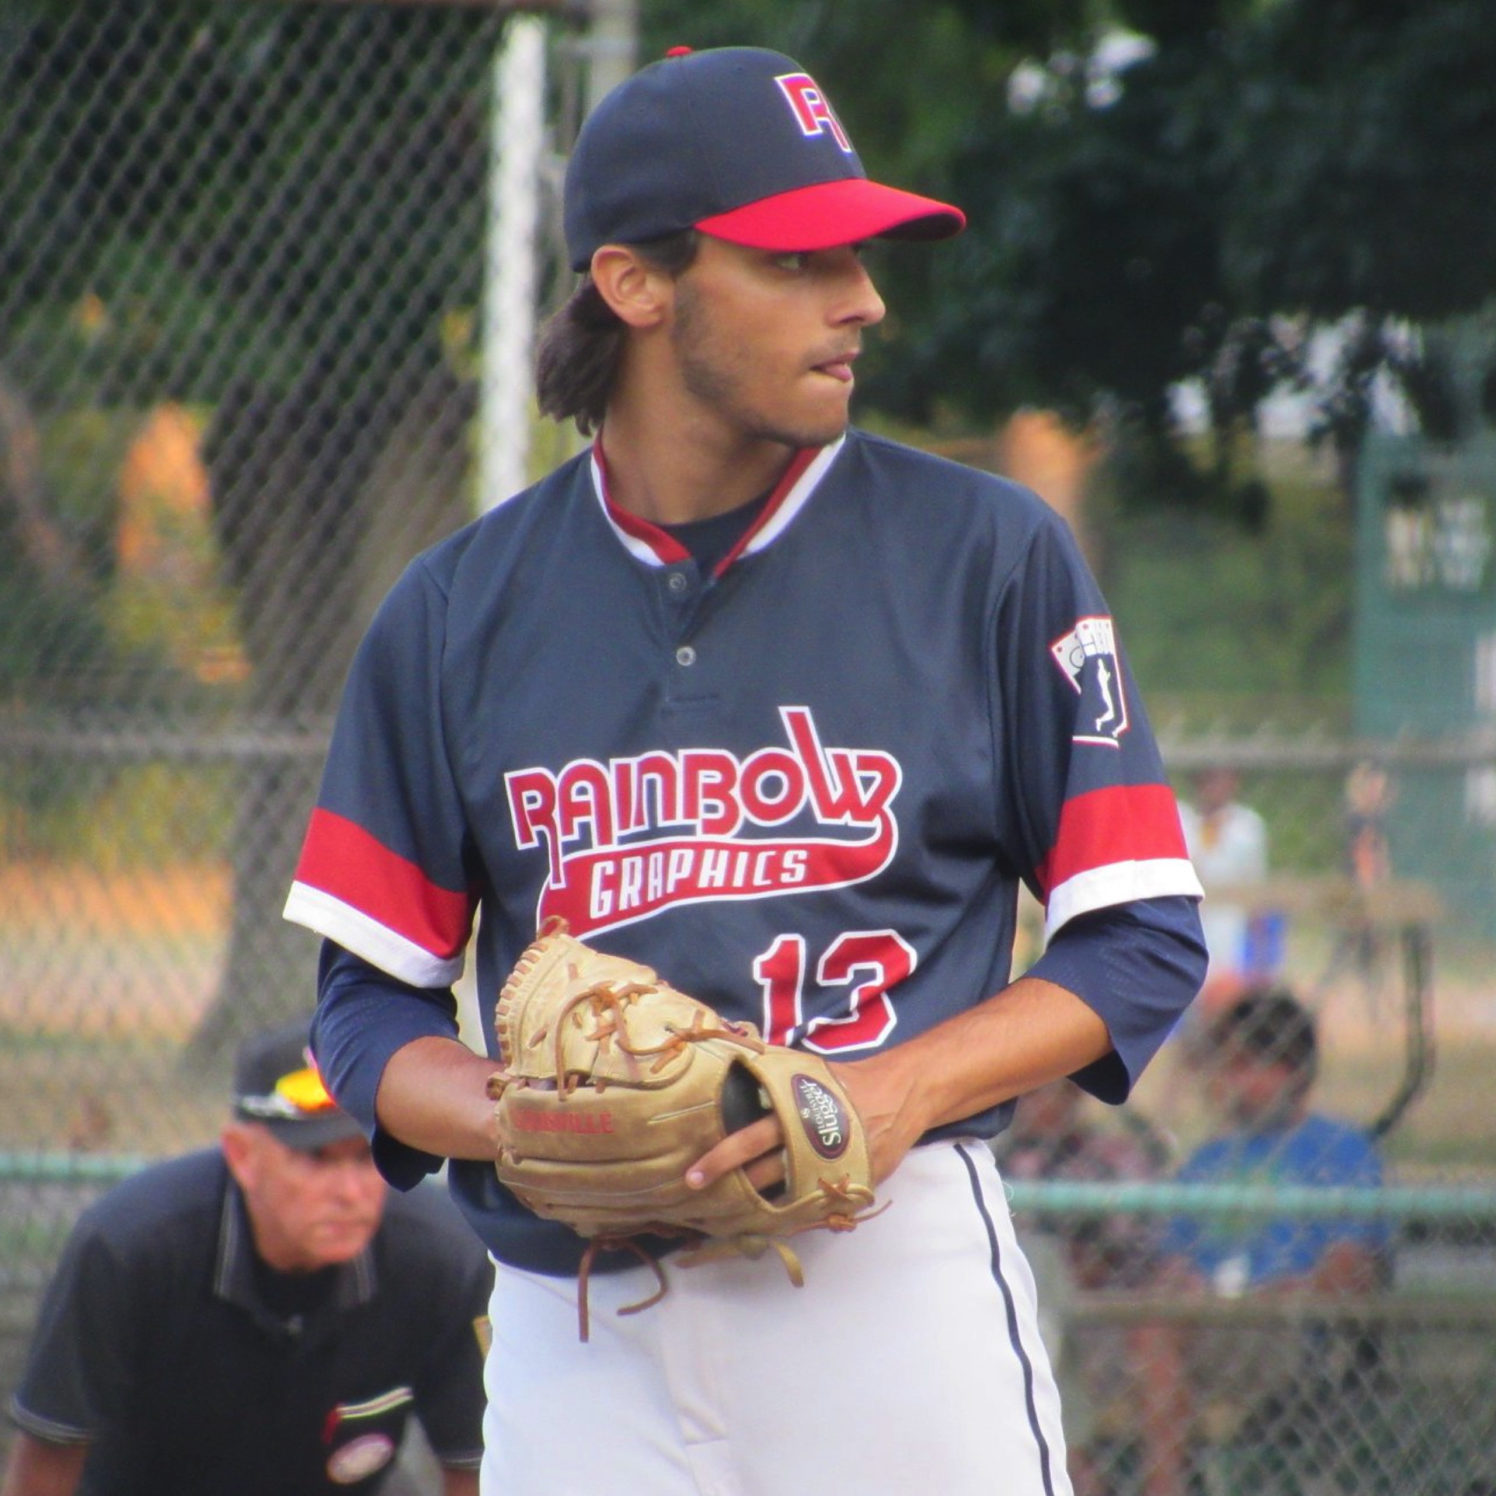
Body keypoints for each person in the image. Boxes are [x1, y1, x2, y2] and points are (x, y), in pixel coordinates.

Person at [283, 44, 1207, 1496]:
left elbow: (1142, 935)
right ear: (637, 286)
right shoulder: (457, 611)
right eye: (797, 260)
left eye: (860, 255)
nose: (863, 300)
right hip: (581, 1324)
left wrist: (890, 1096)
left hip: (881, 1274)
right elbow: (362, 1006)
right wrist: (513, 1119)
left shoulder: (986, 555)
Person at [2, 1023, 490, 1496]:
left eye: (366, 1157)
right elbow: (47, 1461)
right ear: (241, 1156)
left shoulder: (441, 1259)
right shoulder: (129, 1249)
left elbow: (476, 1467)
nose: (349, 1192)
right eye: (316, 1159)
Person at [1158, 988, 1391, 1492]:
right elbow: (1171, 1263)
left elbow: (1350, 1270)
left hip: (1287, 1334)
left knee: (1156, 1336)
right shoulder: (1207, 1160)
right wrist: (1192, 1290)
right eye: (1226, 1066)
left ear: (1291, 1071)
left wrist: (1269, 1299)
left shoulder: (1339, 1149)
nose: (1230, 1082)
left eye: (1248, 1065)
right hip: (1203, 1324)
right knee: (1140, 1327)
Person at [996, 1082, 1186, 1496]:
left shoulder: (1113, 1158)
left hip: (1105, 1319)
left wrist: (1093, 1263)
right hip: (1034, 1320)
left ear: (1073, 1095)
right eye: (1026, 1093)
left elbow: (1144, 1252)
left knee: (1153, 1331)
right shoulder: (996, 1165)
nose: (1034, 1106)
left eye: (1047, 1092)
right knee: (1036, 1292)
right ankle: (1076, 1480)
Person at [1177, 766, 1271, 1006]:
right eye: (1209, 781)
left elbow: (1255, 886)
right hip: (1189, 918)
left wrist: (1260, 953)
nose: (1215, 789)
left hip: (1229, 924)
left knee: (1224, 993)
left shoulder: (1246, 827)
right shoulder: (1183, 820)